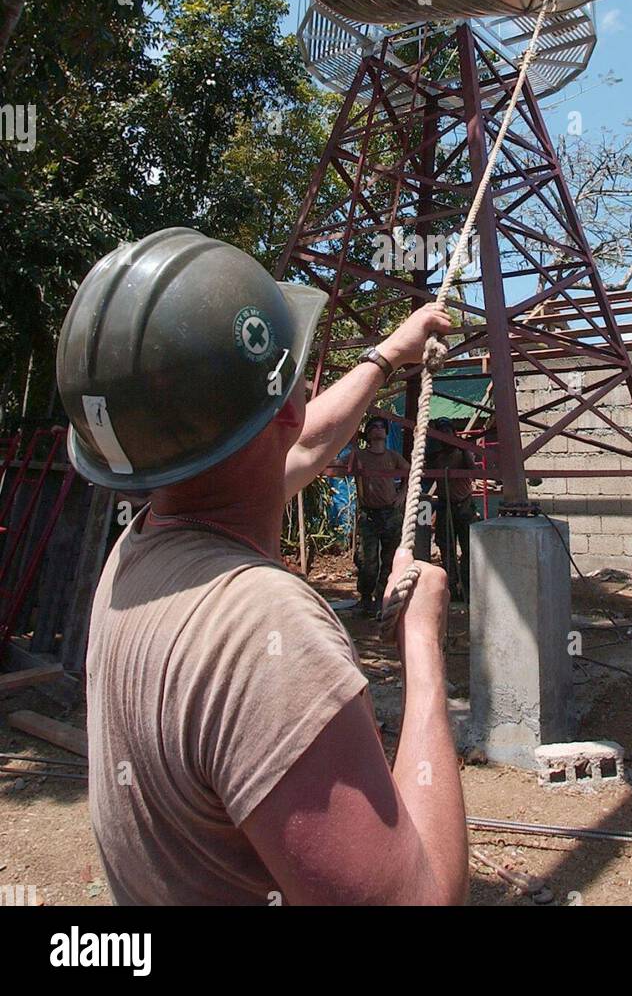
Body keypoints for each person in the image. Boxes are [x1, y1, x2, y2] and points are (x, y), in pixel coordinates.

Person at [57, 227, 467, 907]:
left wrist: (385, 358)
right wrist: (423, 646)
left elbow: (292, 446)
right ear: (288, 404)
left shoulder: (136, 555)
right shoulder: (260, 627)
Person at [354, 417, 409, 616]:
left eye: (381, 427)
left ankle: (381, 599)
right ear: (368, 433)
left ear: (386, 433)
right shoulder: (359, 456)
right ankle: (366, 598)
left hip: (390, 513)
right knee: (368, 561)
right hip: (369, 514)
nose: (378, 430)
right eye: (373, 427)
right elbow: (340, 465)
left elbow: (410, 472)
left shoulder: (393, 456)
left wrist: (402, 493)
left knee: (389, 559)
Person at [431, 418, 477, 601]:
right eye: (441, 432)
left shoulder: (462, 453)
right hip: (445, 506)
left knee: (468, 549)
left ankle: (468, 587)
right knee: (447, 549)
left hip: (464, 505)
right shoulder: (437, 457)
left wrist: (464, 450)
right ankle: (452, 587)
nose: (445, 436)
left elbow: (472, 470)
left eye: (447, 431)